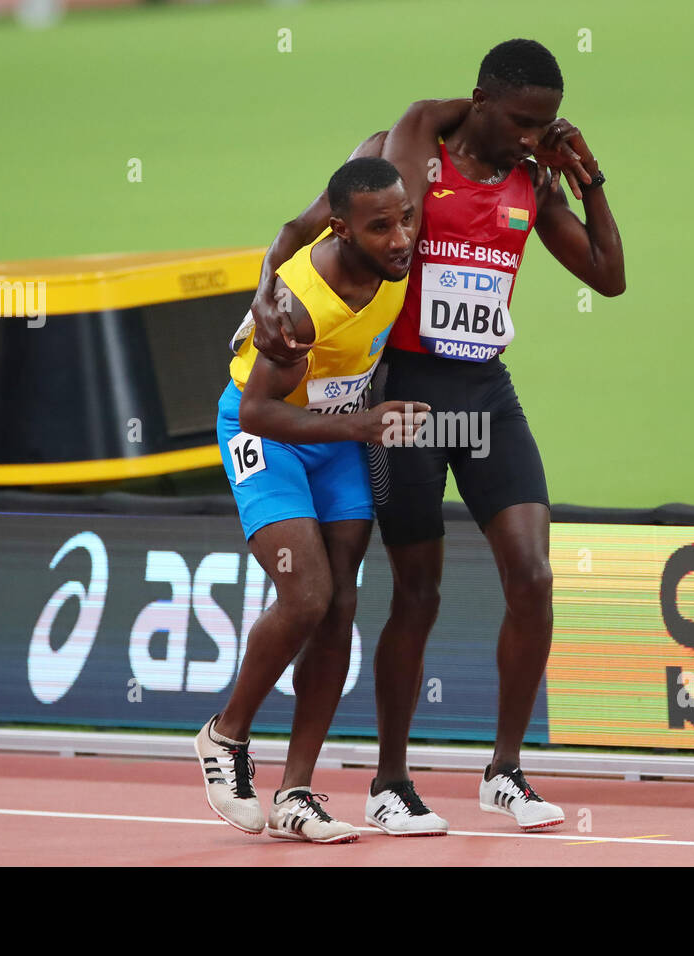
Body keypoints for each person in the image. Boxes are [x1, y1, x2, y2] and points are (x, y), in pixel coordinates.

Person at [247, 39, 625, 834]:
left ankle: (506, 772)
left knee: (533, 575)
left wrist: (587, 178)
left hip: (485, 393)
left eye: (546, 123)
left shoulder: (532, 182)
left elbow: (606, 273)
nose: (534, 136)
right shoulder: (421, 157)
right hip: (407, 395)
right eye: (522, 119)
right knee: (418, 592)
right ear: (482, 99)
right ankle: (390, 781)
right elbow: (419, 114)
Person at [195, 156, 428, 844]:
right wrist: (363, 425)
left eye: (405, 219)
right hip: (268, 434)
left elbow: (409, 122)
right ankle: (224, 736)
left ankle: (297, 792)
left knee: (342, 603)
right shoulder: (299, 303)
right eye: (379, 226)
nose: (399, 238)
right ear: (341, 231)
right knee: (306, 594)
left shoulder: (394, 263)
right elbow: (262, 411)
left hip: (335, 439)